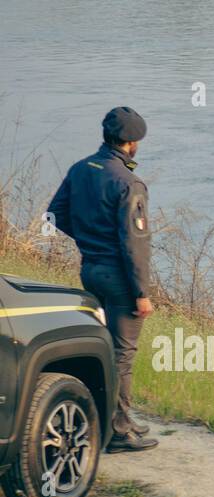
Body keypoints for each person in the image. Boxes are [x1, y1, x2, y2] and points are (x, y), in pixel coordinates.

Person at [48, 107, 158, 453]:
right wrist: (142, 293)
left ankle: (109, 418)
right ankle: (119, 430)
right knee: (122, 354)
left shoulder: (81, 169)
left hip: (90, 270)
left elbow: (54, 215)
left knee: (102, 347)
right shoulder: (128, 182)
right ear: (130, 142)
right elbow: (134, 244)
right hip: (119, 279)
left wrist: (86, 238)